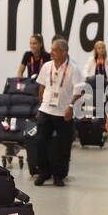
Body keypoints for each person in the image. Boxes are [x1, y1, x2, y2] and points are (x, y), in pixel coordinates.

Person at [33, 38, 78, 186]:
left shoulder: (73, 68)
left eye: (55, 50)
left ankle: (59, 175)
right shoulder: (47, 66)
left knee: (63, 145)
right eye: (51, 49)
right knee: (40, 142)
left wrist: (71, 107)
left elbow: (80, 90)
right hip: (46, 110)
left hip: (63, 112)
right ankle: (44, 172)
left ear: (64, 52)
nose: (51, 52)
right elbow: (41, 87)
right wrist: (41, 106)